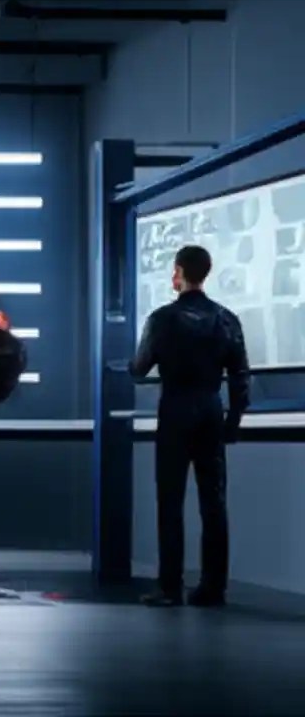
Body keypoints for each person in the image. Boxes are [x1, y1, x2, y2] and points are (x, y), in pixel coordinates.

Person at [130, 245, 250, 607]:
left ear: (179, 272)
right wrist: (233, 422)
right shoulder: (226, 319)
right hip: (211, 410)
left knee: (171, 501)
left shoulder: (162, 318)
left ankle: (170, 587)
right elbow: (241, 378)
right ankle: (214, 587)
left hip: (176, 410)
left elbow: (139, 369)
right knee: (214, 502)